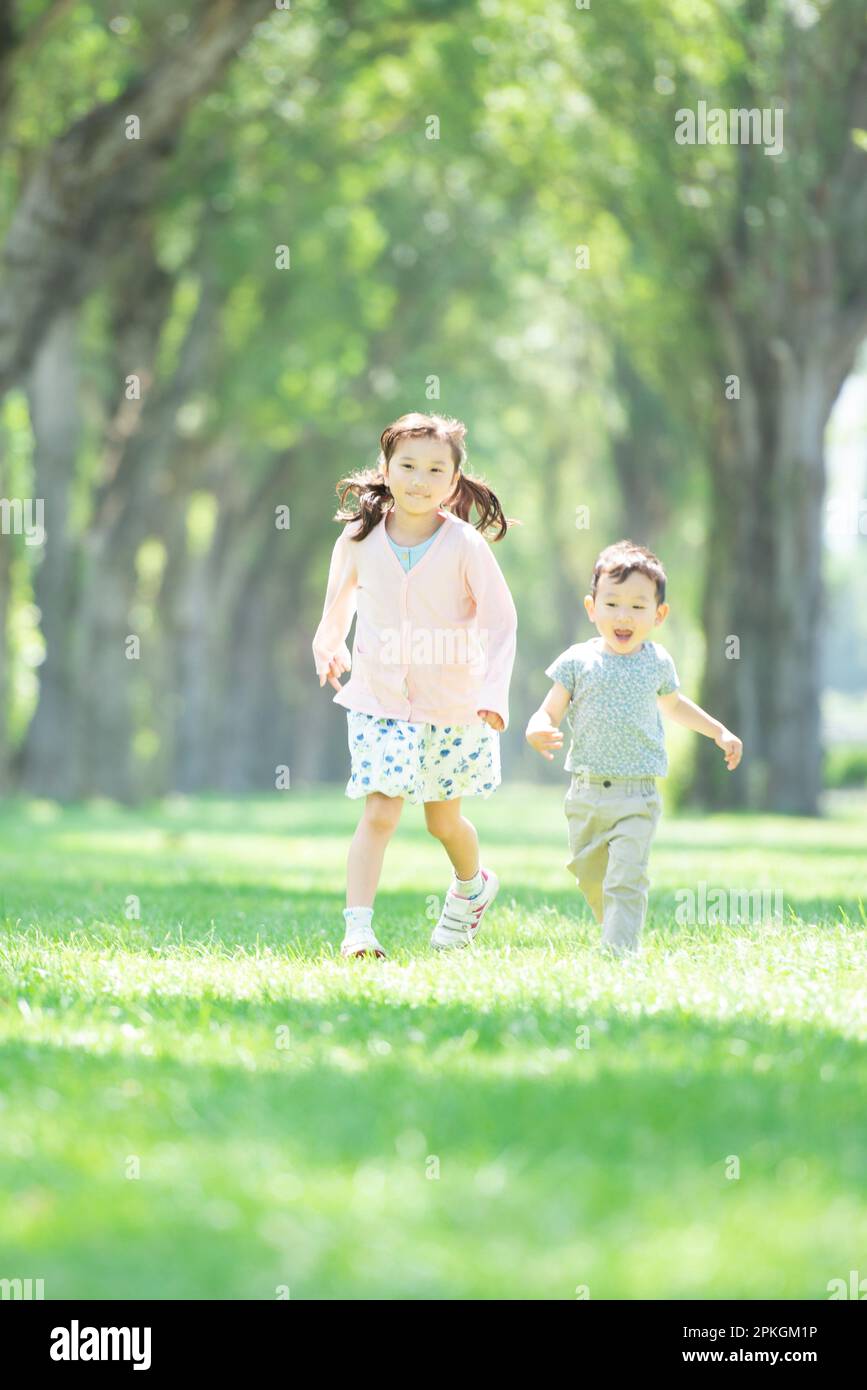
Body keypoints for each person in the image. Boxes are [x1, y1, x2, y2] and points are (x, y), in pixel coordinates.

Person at [312, 411, 518, 958]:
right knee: (380, 810)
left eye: (434, 470)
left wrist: (494, 694)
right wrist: (328, 644)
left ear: (453, 483)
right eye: (407, 466)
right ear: (386, 468)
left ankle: (472, 889)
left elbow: (501, 623)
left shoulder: (465, 546)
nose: (419, 480)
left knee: (442, 820)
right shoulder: (359, 539)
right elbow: (339, 602)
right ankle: (358, 931)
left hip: (452, 704)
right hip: (377, 698)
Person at [526, 539, 743, 955]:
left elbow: (675, 706)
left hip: (637, 795)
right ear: (592, 608)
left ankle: (619, 953)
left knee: (626, 877)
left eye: (637, 607)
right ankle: (616, 926)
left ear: (658, 615)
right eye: (612, 605)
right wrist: (537, 728)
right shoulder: (576, 661)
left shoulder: (656, 661)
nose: (623, 616)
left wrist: (719, 732)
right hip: (585, 795)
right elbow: (548, 711)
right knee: (591, 875)